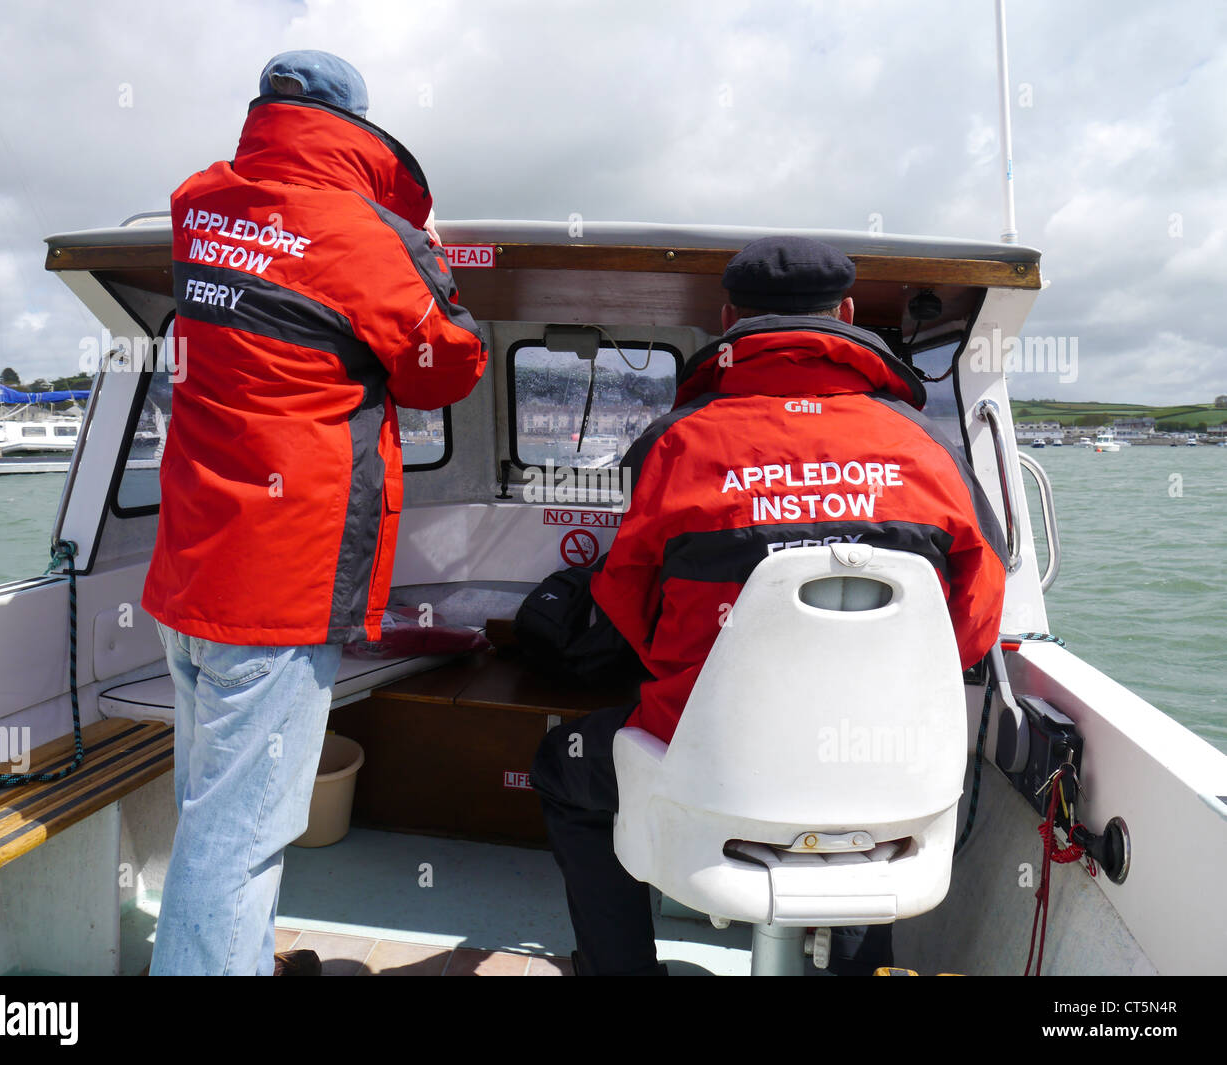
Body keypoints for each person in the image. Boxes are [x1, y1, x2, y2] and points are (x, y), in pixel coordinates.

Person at [531, 235, 1008, 975]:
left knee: (563, 765)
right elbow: (973, 633)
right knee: (854, 808)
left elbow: (627, 608)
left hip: (708, 769)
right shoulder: (930, 450)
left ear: (727, 319)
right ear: (847, 314)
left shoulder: (676, 446)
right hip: (882, 774)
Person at [143, 51, 488, 975]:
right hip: (280, 592)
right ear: (357, 125)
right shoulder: (363, 236)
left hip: (190, 579)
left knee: (214, 818)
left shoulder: (197, 204)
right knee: (242, 836)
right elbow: (447, 365)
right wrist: (434, 266)